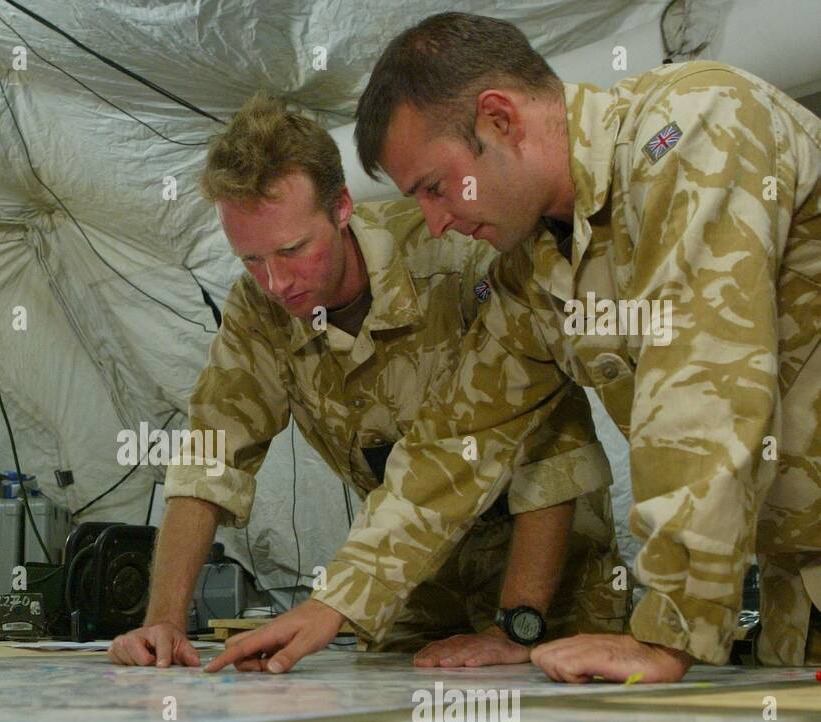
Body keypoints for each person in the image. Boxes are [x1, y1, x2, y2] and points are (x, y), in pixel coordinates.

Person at [214, 12, 820, 683]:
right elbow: (455, 440)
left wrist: (668, 634)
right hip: (801, 597)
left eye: (434, 188)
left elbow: (704, 386)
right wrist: (337, 600)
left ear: (499, 120)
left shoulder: (689, 128)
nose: (435, 220)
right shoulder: (534, 270)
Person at [110, 94, 626, 673]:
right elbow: (210, 458)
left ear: (342, 208)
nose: (276, 283)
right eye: (251, 259)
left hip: (548, 583)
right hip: (410, 583)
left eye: (292, 250)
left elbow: (553, 447)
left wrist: (516, 625)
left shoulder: (460, 261)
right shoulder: (260, 310)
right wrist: (164, 622)